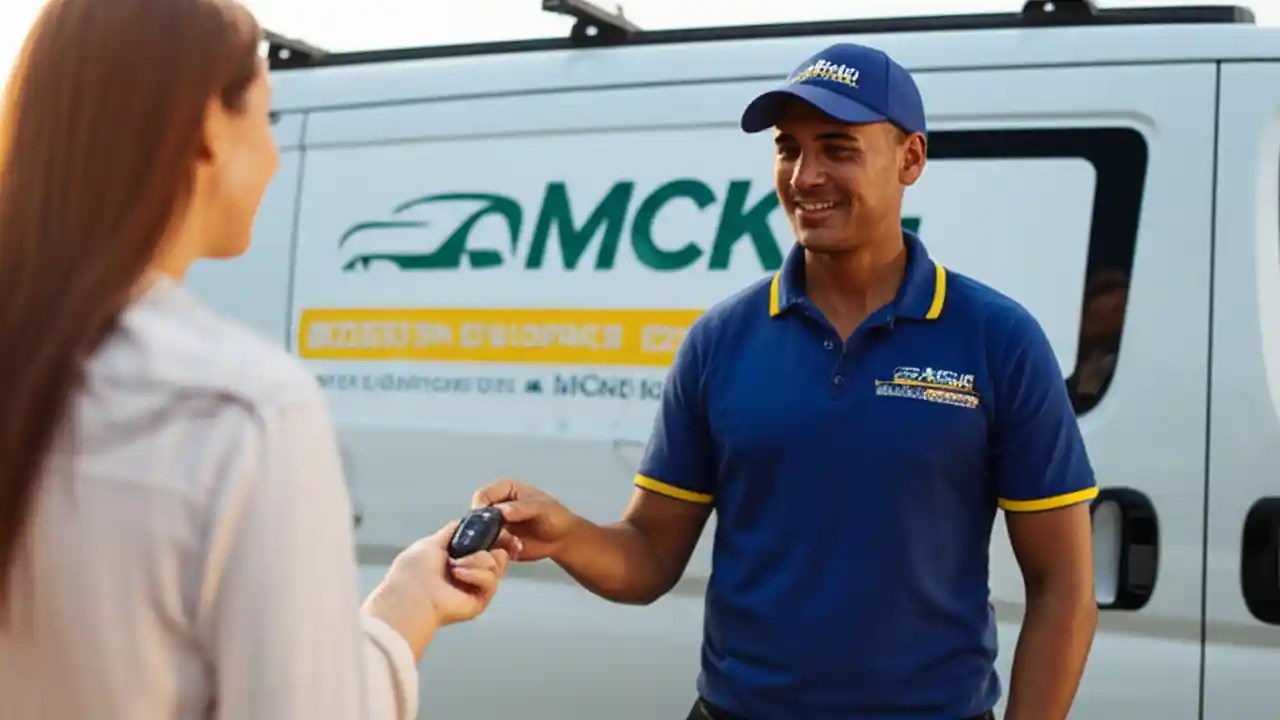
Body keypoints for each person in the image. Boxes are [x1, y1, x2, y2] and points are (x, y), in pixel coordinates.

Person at [472, 42, 1098, 720]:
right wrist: (565, 533)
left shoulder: (996, 338)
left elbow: (1063, 587)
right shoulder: (722, 339)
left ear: (910, 159)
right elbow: (650, 554)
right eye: (787, 148)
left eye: (838, 148)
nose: (806, 175)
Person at [0, 1, 515, 718]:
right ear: (212, 125)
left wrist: (406, 599)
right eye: (266, 117)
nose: (274, 158)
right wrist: (403, 616)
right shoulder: (240, 406)